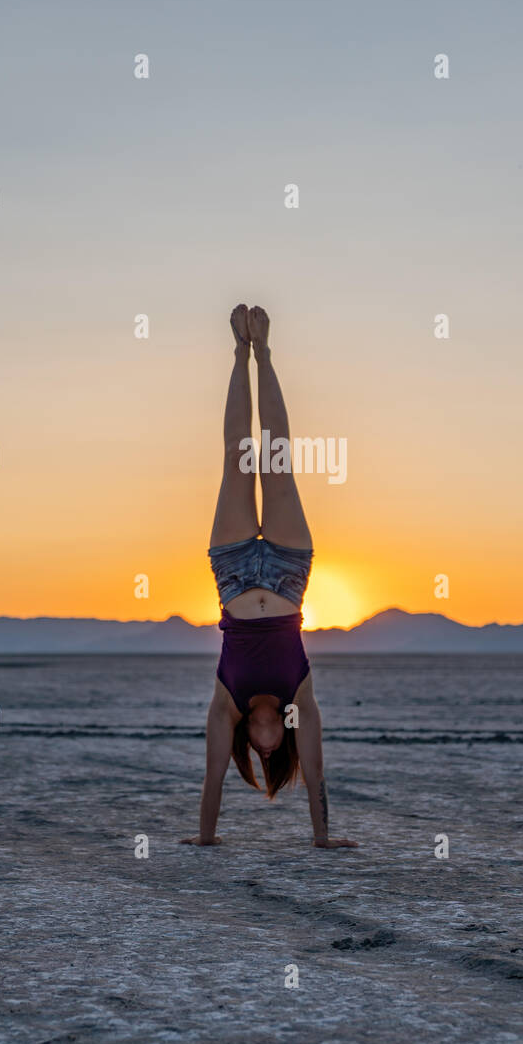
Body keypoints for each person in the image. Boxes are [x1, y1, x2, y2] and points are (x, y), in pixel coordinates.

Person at [181, 305, 357, 849]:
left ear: (245, 738)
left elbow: (212, 779)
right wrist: (323, 837)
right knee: (277, 455)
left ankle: (240, 351)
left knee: (238, 458)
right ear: (284, 738)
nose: (264, 742)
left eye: (255, 747)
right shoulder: (300, 696)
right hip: (288, 570)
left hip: (232, 573)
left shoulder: (225, 703)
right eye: (271, 747)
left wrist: (204, 839)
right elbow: (318, 779)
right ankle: (267, 351)